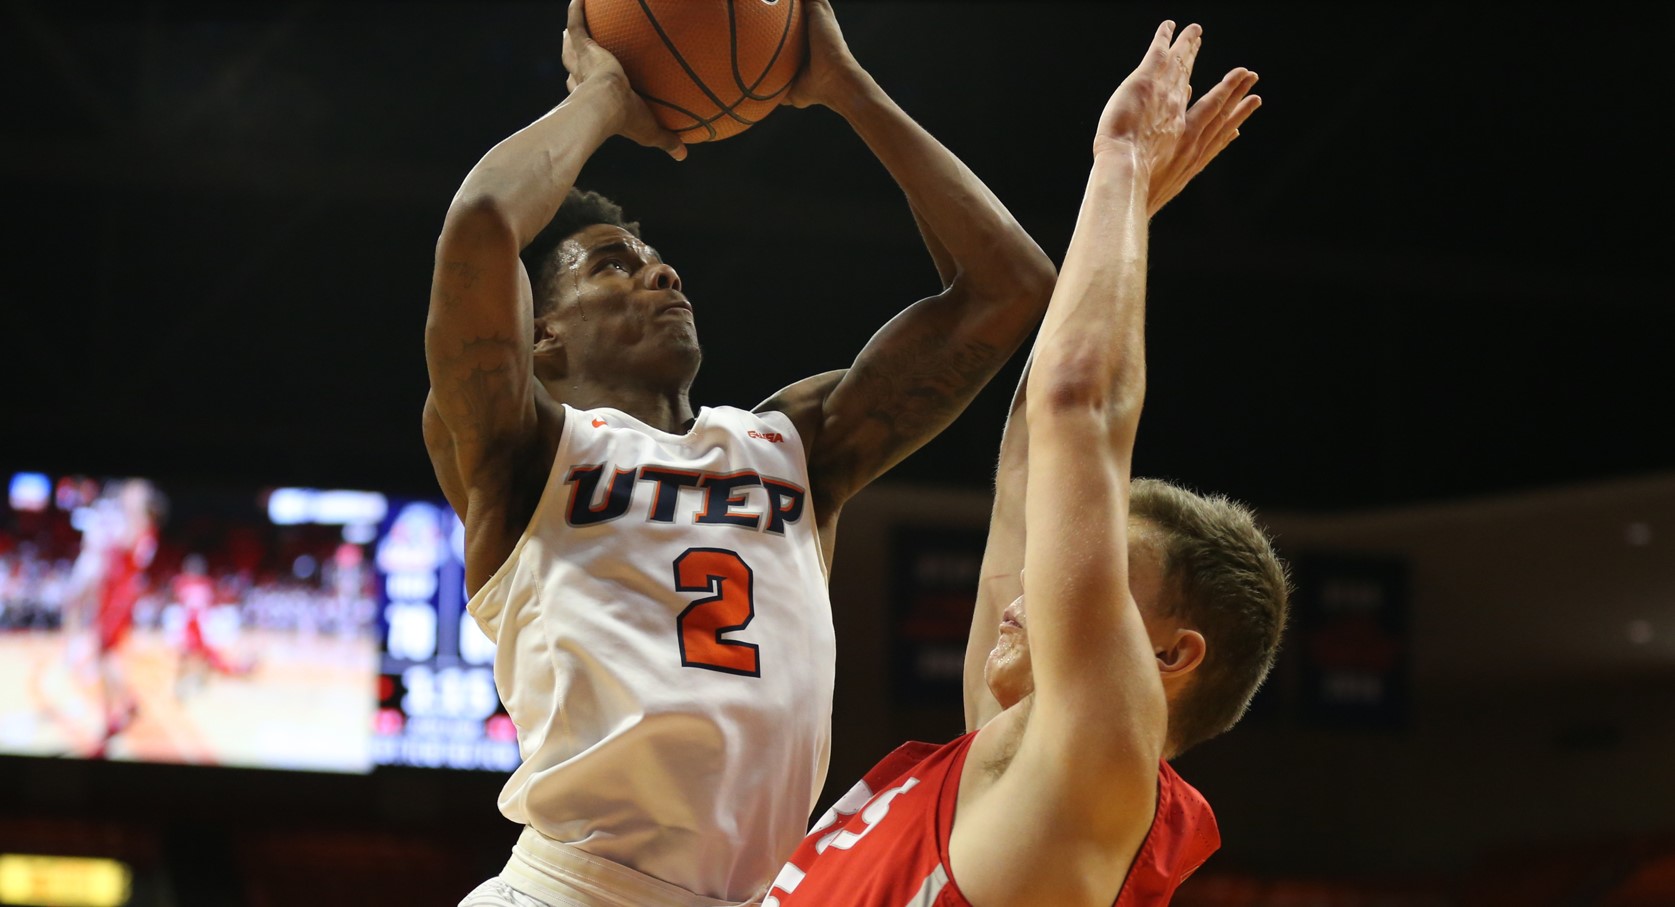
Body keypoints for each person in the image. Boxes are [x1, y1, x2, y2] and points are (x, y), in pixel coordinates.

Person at [424, 1, 1056, 904]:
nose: (661, 271)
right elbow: (481, 224)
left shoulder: (793, 444)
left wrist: (848, 89)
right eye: (613, 264)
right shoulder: (518, 448)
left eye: (655, 256)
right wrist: (602, 96)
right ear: (541, 337)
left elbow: (1009, 286)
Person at [762, 22, 1287, 907]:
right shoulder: (992, 763)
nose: (1036, 578)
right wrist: (1128, 225)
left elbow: (1077, 408)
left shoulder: (1089, 777)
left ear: (1166, 654)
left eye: (1090, 573)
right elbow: (1030, 457)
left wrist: (1119, 164)